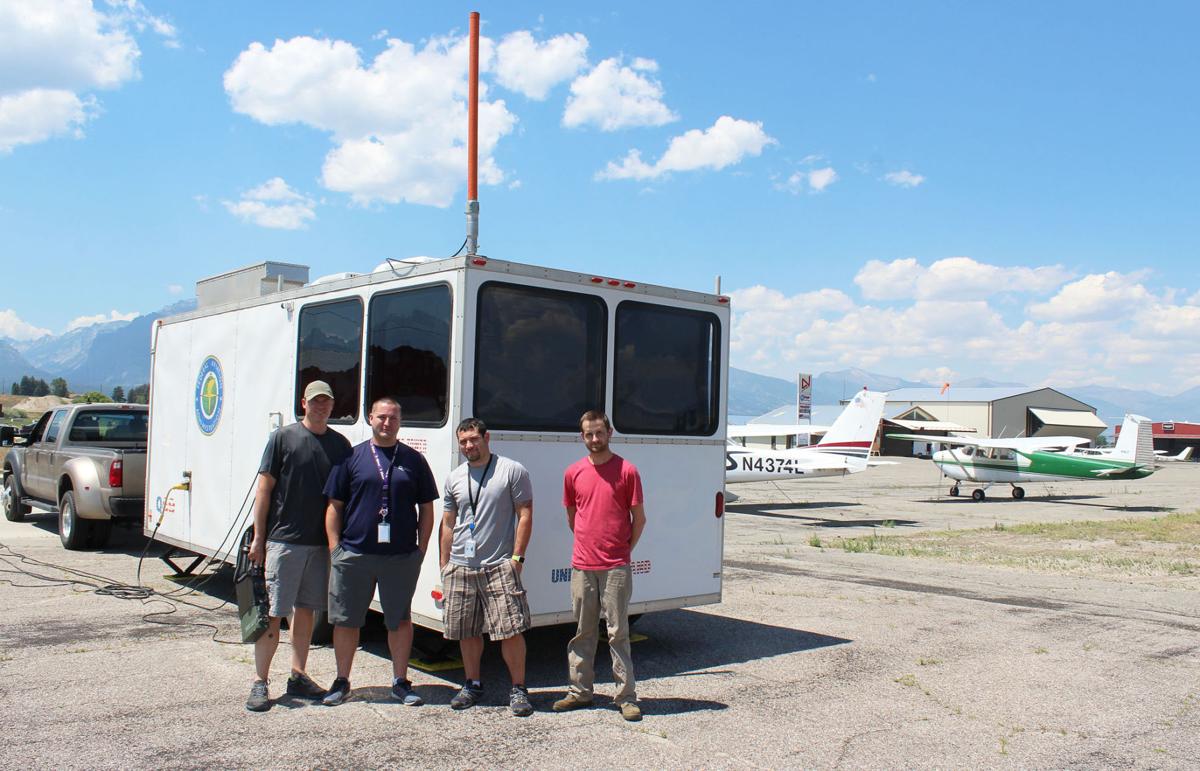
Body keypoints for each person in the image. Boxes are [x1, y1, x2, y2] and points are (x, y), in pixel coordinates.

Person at [321, 398, 437, 707]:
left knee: (399, 620)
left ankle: (400, 681)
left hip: (400, 557)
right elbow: (334, 506)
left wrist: (420, 549)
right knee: (346, 620)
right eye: (382, 417)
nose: (387, 423)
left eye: (393, 418)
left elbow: (427, 509)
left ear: (400, 421)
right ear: (370, 418)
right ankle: (342, 681)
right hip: (355, 554)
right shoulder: (352, 457)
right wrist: (336, 549)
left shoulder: (413, 460)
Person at [245, 380, 352, 712]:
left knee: (305, 612)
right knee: (273, 614)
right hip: (284, 542)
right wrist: (259, 539)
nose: (321, 406)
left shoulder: (340, 445)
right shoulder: (284, 438)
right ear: (303, 403)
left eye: (327, 401)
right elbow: (264, 490)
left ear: (333, 406)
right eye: (315, 401)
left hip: (320, 545)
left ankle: (298, 675)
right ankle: (260, 682)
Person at [553, 410, 647, 721]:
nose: (594, 439)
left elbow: (639, 519)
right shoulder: (573, 473)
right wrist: (588, 546)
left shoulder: (627, 471)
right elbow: (573, 516)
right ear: (582, 437)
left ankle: (626, 697)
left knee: (618, 632)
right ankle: (580, 691)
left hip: (616, 567)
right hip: (582, 566)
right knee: (583, 631)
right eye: (588, 434)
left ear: (609, 432)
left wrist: (622, 551)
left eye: (599, 433)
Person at [439, 418, 534, 716]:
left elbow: (525, 514)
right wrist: (444, 564)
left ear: (486, 437)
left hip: (498, 566)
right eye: (464, 441)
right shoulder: (455, 477)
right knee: (467, 631)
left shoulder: (511, 470)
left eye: (473, 439)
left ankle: (518, 689)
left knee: (510, 630)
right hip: (461, 566)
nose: (469, 446)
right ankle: (472, 683)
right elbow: (448, 523)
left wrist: (517, 558)